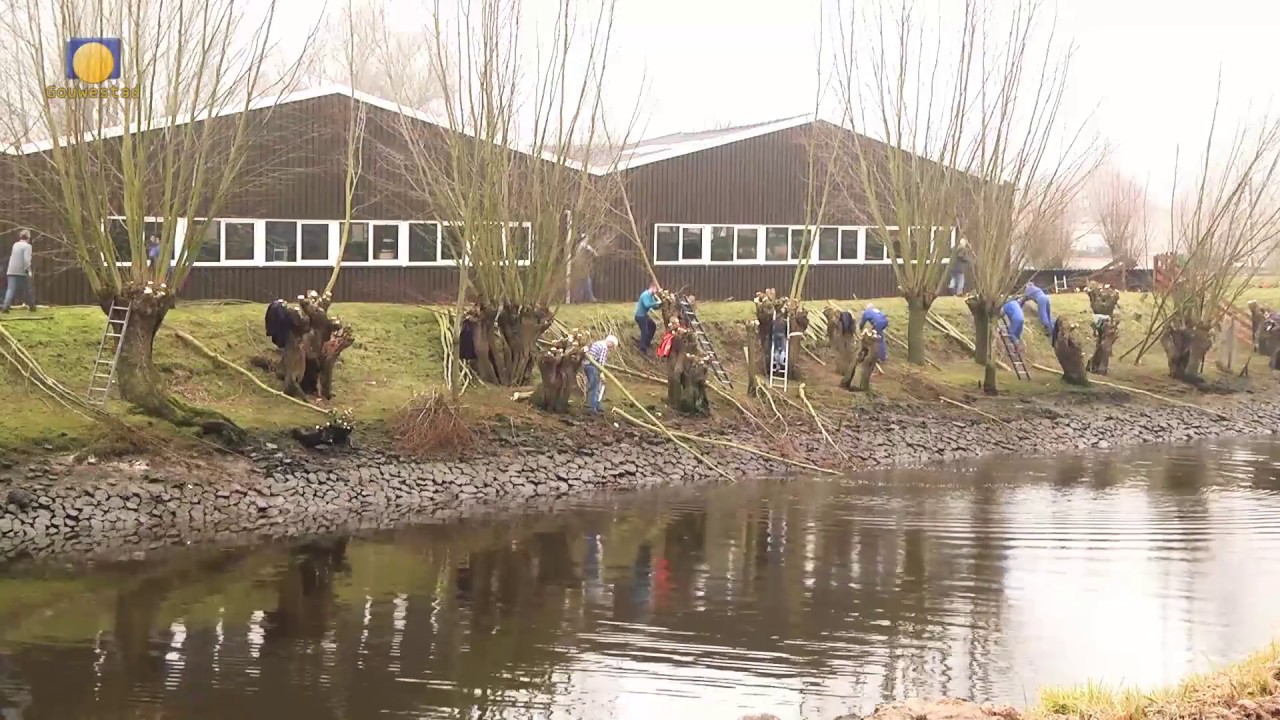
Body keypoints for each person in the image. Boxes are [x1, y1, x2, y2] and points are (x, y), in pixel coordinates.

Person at [582, 334, 618, 414]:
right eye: (612, 346)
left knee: (596, 385)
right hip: (592, 366)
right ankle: (592, 408)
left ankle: (596, 405)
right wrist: (602, 373)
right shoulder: (604, 347)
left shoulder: (598, 343)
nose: (611, 348)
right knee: (595, 387)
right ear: (610, 342)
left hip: (587, 365)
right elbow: (601, 363)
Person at [2, 229, 35, 313]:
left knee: (10, 289)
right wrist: (28, 270)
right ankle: (32, 306)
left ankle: (5, 307)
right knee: (28, 288)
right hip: (22, 271)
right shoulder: (27, 247)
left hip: (11, 270)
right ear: (28, 237)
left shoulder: (15, 245)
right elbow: (26, 260)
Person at [634, 282, 662, 353]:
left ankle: (647, 342)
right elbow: (647, 305)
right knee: (645, 331)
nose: (657, 292)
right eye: (656, 290)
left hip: (645, 315)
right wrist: (657, 303)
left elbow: (654, 307)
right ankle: (642, 349)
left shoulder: (651, 296)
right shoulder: (645, 295)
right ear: (652, 288)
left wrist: (660, 305)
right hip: (640, 316)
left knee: (653, 326)